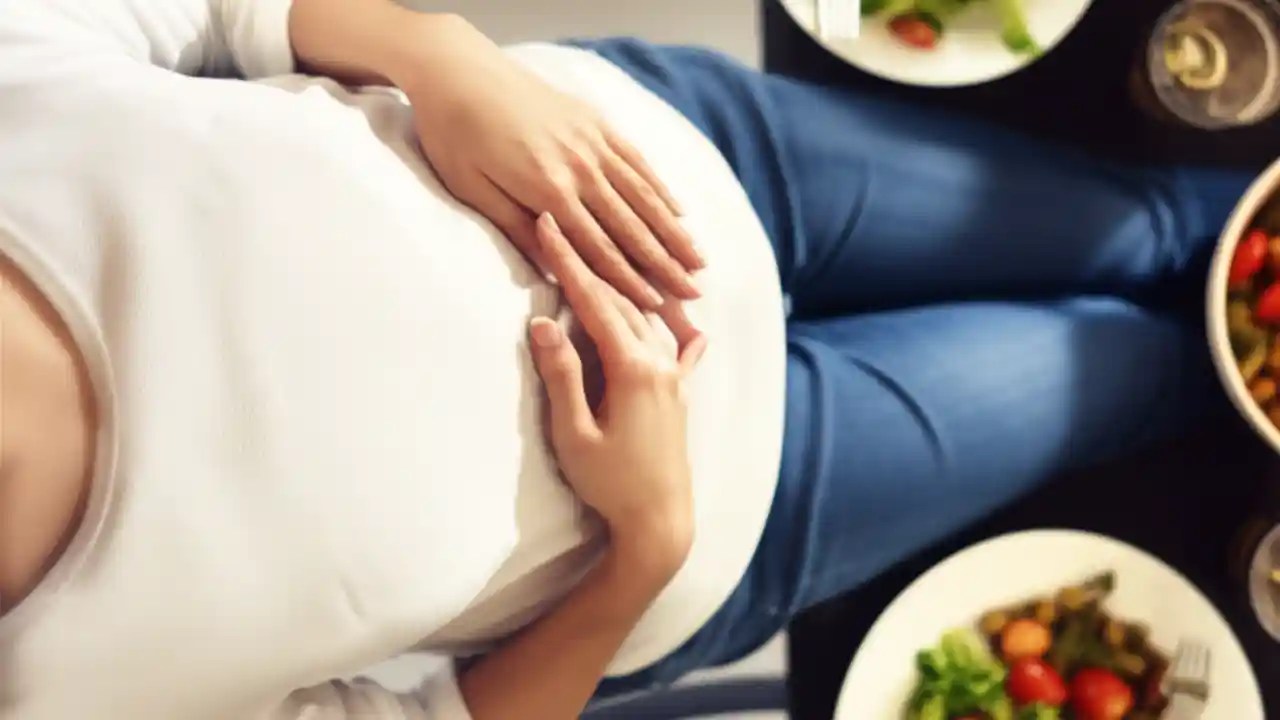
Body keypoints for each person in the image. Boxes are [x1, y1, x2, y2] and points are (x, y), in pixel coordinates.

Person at [0, 0, 1250, 717]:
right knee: (1138, 374)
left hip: (688, 158)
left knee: (1152, 221)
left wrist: (440, 58)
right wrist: (641, 543)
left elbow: (222, 6)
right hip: (746, 501)